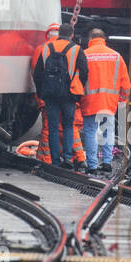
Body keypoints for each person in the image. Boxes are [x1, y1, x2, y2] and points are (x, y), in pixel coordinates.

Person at [32, 23, 88, 167]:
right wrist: (77, 89)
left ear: (59, 34)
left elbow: (37, 74)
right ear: (71, 35)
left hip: (50, 95)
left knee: (52, 127)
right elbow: (84, 72)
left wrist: (41, 92)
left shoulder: (45, 49)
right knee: (68, 125)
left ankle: (55, 160)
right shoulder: (76, 49)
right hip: (69, 95)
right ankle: (68, 158)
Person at [81, 27, 131, 174]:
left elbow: (77, 79)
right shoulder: (116, 56)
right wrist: (122, 99)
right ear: (104, 40)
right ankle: (107, 162)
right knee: (107, 132)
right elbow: (126, 84)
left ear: (90, 40)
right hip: (109, 102)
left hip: (89, 101)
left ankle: (92, 165)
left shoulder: (84, 55)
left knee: (90, 132)